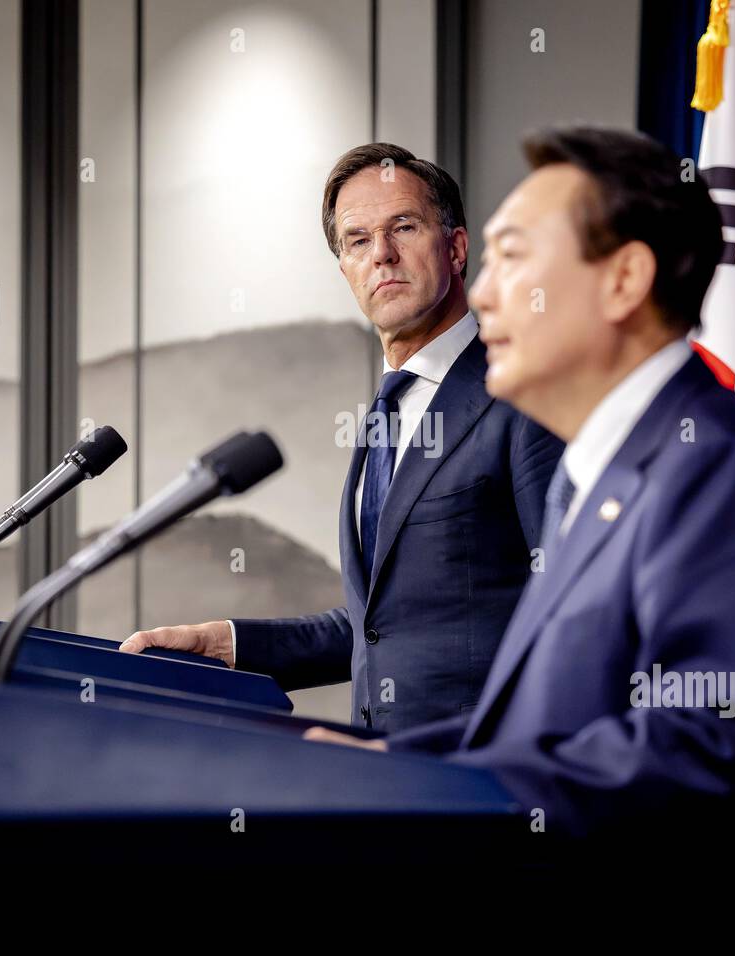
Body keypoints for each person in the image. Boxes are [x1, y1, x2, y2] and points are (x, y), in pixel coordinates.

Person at [306, 127, 735, 863]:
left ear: (623, 280)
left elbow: (704, 740)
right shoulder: (594, 477)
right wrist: (395, 763)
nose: (486, 292)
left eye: (516, 258)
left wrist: (449, 786)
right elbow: (551, 723)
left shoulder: (716, 467)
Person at [122, 143, 562, 734]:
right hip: (381, 787)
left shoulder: (524, 396)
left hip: (485, 791)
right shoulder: (389, 408)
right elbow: (382, 626)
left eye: (403, 227)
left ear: (456, 248)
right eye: (358, 241)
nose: (381, 255)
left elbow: (570, 613)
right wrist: (228, 645)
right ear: (345, 270)